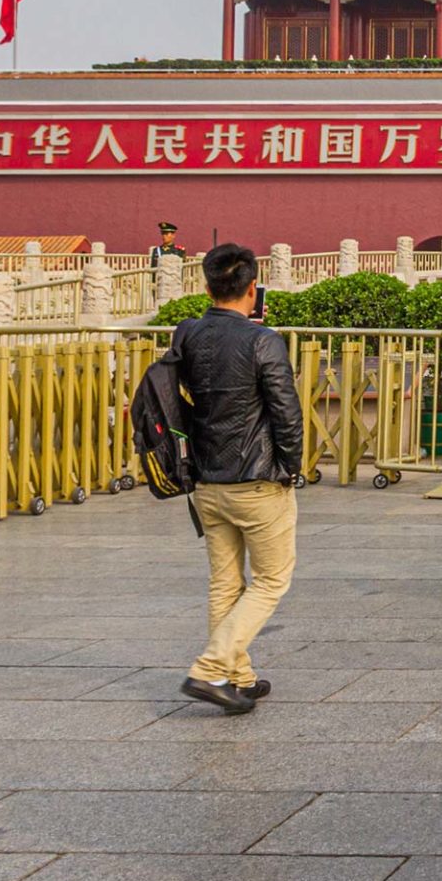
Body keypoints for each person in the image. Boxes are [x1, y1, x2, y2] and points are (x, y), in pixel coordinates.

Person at [175, 243, 303, 715]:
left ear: (206, 287)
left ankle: (238, 678)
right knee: (270, 581)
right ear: (253, 288)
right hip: (256, 479)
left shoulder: (186, 334)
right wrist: (291, 466)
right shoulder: (261, 339)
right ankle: (210, 669)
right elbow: (285, 411)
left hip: (207, 479)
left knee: (225, 583)